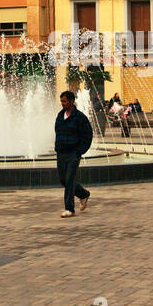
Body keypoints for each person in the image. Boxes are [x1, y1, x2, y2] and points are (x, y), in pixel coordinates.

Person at [55, 90, 93, 218]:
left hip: (73, 153)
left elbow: (88, 135)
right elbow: (57, 131)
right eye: (61, 101)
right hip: (61, 152)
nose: (62, 104)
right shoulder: (60, 116)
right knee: (63, 180)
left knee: (70, 179)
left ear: (71, 101)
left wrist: (80, 151)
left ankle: (69, 209)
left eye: (64, 101)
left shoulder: (79, 117)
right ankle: (83, 194)